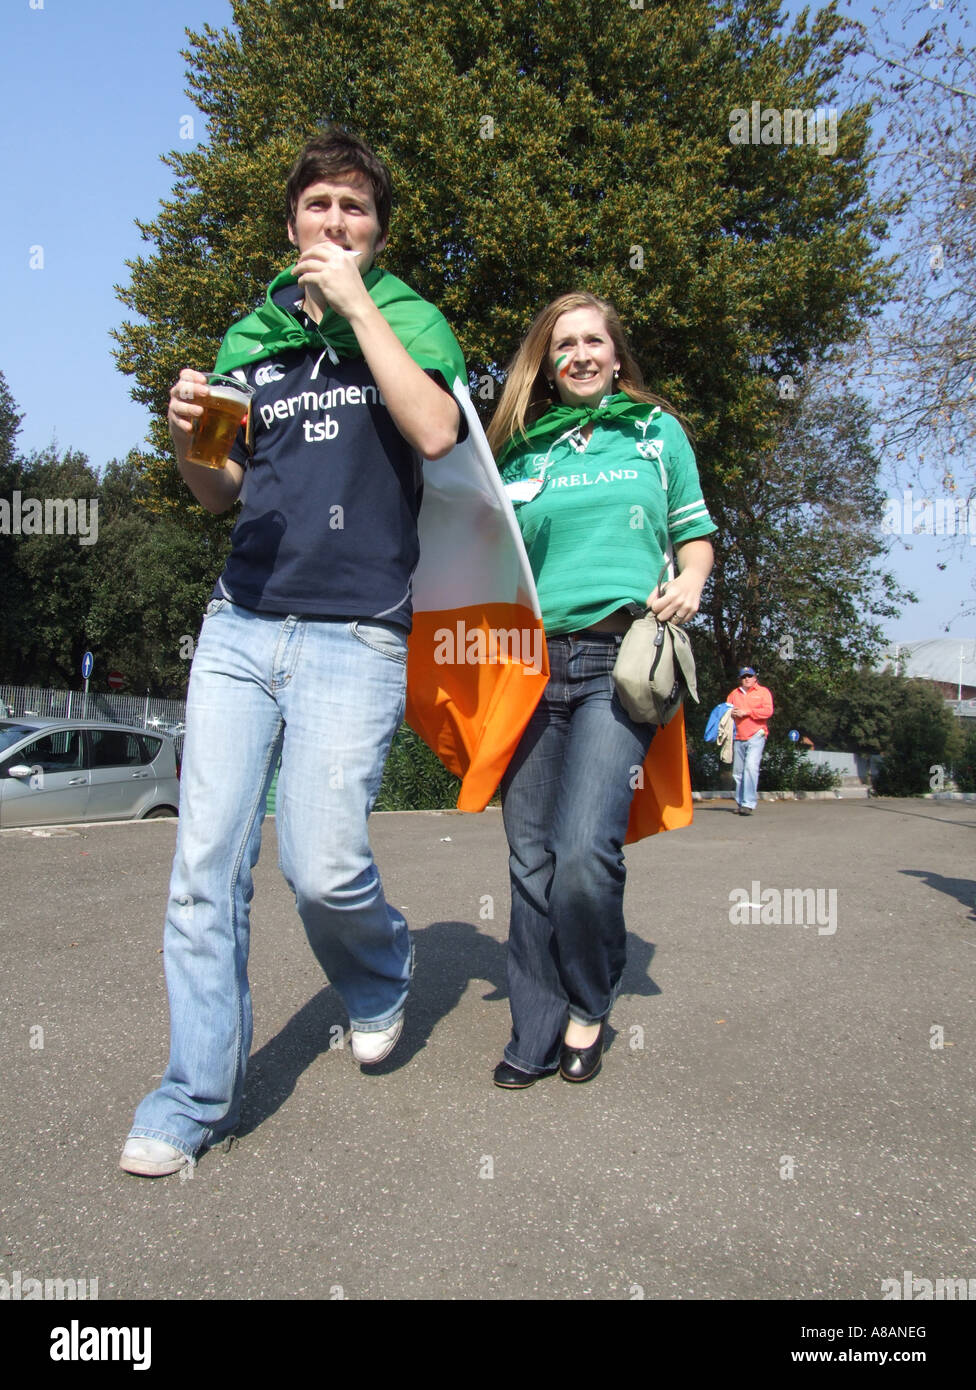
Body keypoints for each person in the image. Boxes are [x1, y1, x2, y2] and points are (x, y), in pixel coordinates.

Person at [120, 128, 465, 1176]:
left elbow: (436, 431)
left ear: (378, 231)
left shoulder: (406, 317)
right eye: (318, 207)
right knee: (202, 869)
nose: (335, 223)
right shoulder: (249, 337)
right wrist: (188, 440)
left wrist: (360, 309)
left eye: (355, 209)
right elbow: (218, 491)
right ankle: (191, 1099)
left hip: (355, 630)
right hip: (242, 620)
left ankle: (379, 970)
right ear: (290, 224)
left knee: (320, 866)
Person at [485, 291, 716, 1087]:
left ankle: (591, 998)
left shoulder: (656, 433)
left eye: (593, 340)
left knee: (583, 851)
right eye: (563, 344)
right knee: (530, 859)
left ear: (617, 355)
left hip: (619, 663)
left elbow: (695, 539)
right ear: (546, 365)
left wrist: (690, 583)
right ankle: (536, 1027)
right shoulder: (516, 451)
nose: (579, 353)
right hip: (527, 666)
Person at [726, 667, 774, 815]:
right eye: (744, 676)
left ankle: (748, 803)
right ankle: (741, 803)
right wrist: (731, 713)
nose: (747, 679)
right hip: (738, 736)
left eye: (749, 676)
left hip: (756, 735)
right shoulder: (734, 694)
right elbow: (726, 712)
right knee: (738, 773)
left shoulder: (763, 692)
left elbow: (768, 711)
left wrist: (747, 712)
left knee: (751, 768)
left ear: (755, 678)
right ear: (741, 679)